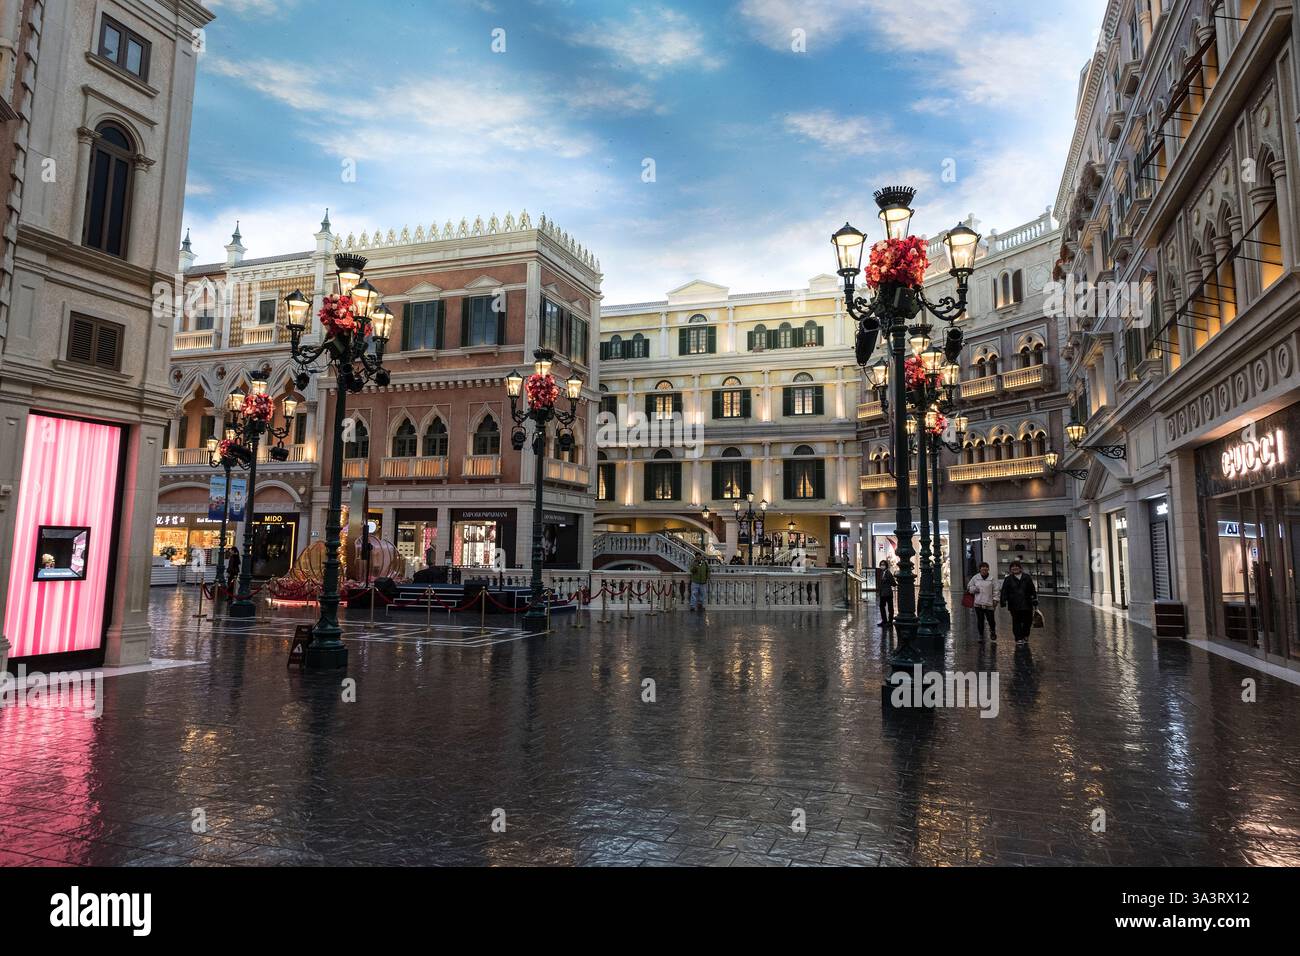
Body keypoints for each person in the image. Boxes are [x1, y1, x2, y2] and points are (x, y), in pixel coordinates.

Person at [999, 560, 1038, 645]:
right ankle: (1018, 638)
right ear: (1010, 569)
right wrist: (1003, 601)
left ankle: (1025, 635)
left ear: (1020, 568)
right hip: (1014, 604)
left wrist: (1034, 599)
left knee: (1028, 621)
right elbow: (1004, 591)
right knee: (1016, 621)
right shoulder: (1008, 579)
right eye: (1013, 566)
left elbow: (1032, 589)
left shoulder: (1027, 577)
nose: (1015, 568)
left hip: (1027, 603)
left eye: (1017, 566)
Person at [966, 561, 1000, 642]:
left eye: (986, 567)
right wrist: (974, 589)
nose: (984, 569)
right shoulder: (975, 578)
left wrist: (996, 599)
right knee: (980, 620)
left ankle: (992, 631)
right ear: (980, 569)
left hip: (989, 603)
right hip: (978, 603)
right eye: (982, 567)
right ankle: (981, 635)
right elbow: (969, 587)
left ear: (988, 569)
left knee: (991, 620)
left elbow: (996, 590)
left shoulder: (992, 579)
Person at [875, 559, 896, 626]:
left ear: (886, 566)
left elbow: (893, 583)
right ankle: (884, 621)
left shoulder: (888, 573)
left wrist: (888, 582)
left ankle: (890, 622)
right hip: (883, 593)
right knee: (882, 606)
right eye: (881, 565)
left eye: (883, 565)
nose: (882, 566)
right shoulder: (882, 573)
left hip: (888, 593)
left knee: (890, 607)